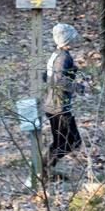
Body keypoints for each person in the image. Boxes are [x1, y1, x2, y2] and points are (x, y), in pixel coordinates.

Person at [44, 22, 84, 167]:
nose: (75, 40)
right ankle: (42, 170)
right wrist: (78, 87)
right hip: (59, 107)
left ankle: (42, 169)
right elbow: (58, 80)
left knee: (64, 143)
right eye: (73, 37)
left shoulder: (57, 55)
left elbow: (46, 77)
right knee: (69, 143)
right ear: (67, 40)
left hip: (55, 106)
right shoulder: (63, 58)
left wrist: (72, 71)